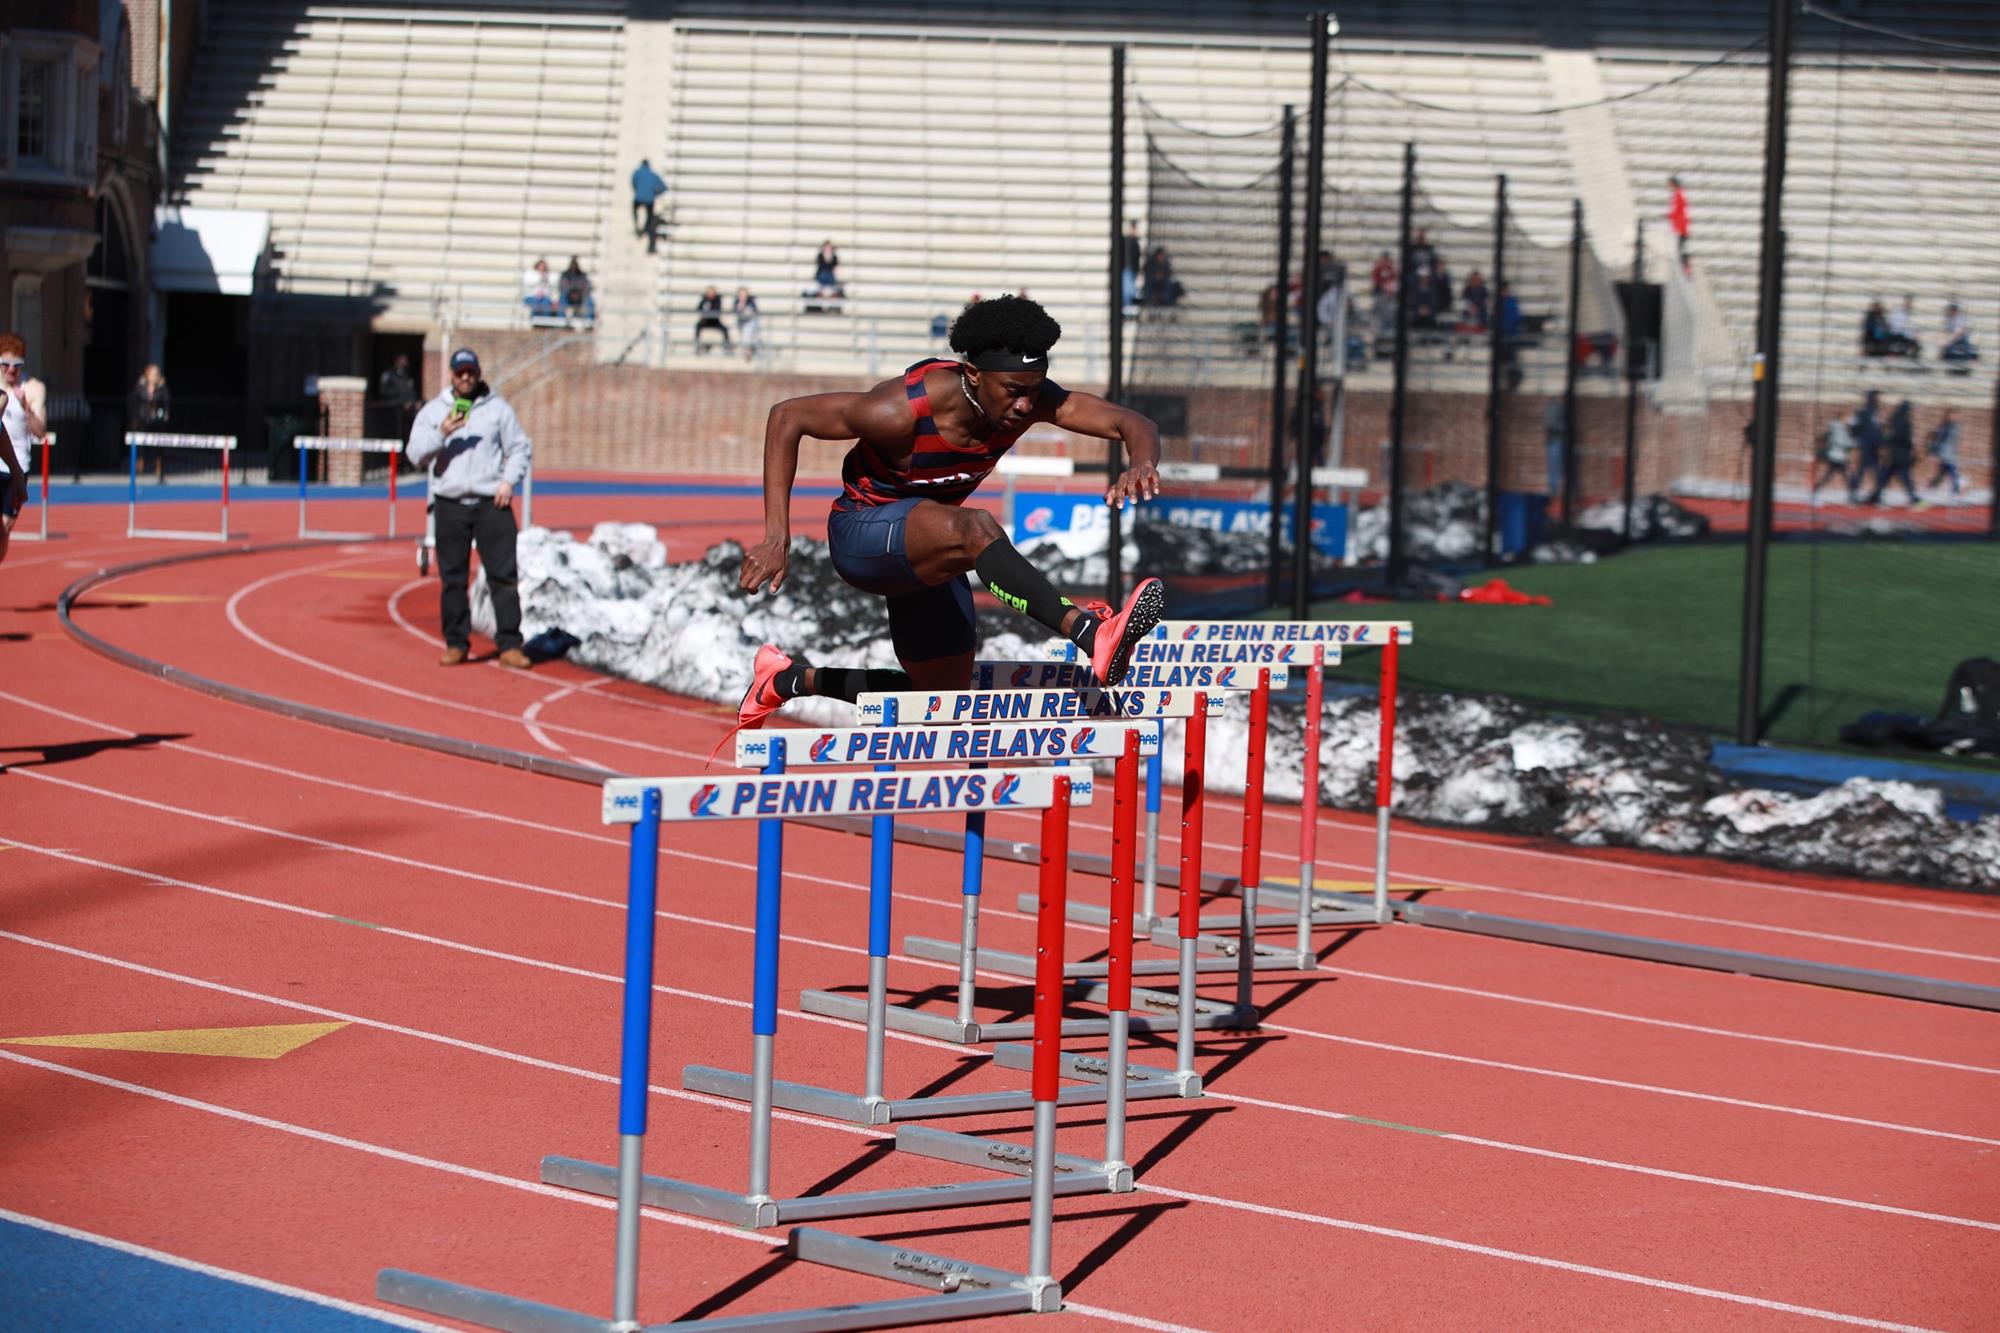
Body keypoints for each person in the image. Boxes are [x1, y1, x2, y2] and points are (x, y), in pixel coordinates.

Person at [731, 294, 1168, 736]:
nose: (1024, 407)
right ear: (974, 375)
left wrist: (1143, 462)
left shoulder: (1029, 399)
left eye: (1033, 392)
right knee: (977, 528)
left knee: (938, 699)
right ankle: (1091, 633)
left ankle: (785, 679)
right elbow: (787, 416)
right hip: (862, 534)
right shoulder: (898, 410)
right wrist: (776, 538)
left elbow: (1131, 423)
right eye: (1014, 392)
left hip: (927, 543)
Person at [405, 347, 533, 669]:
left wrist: (507, 482)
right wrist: (443, 432)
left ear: (478, 373)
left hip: (491, 502)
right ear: (451, 375)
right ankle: (456, 643)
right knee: (453, 579)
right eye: (460, 372)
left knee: (503, 576)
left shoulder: (498, 410)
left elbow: (519, 447)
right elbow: (415, 454)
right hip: (450, 503)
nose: (465, 378)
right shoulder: (435, 411)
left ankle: (509, 644)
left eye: (470, 372)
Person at [0, 333, 44, 564]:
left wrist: (25, 407)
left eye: (16, 365)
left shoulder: (32, 388)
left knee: (5, 525)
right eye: (5, 364)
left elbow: (40, 431)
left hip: (17, 464)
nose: (10, 370)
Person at [1863, 399, 1921, 506]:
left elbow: (1888, 436)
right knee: (1905, 478)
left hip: (1892, 456)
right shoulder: (1906, 423)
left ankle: (1875, 497)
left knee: (1885, 477)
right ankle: (1914, 499)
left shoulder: (1893, 421)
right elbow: (1907, 440)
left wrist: (1886, 442)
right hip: (1902, 456)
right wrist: (1912, 449)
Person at [1849, 390, 1884, 498]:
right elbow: (1854, 428)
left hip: (1870, 446)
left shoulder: (1870, 413)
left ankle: (1875, 494)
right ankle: (1855, 494)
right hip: (1867, 446)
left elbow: (1854, 428)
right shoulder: (1867, 413)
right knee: (1865, 471)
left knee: (1871, 471)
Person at [1810, 415, 1855, 496]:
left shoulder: (1833, 430)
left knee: (1830, 476)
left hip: (1834, 457)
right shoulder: (1842, 431)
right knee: (1846, 476)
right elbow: (1848, 443)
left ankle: (1817, 488)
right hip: (1840, 458)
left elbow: (1825, 438)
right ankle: (1851, 494)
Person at [630, 158, 667, 251]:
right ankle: (645, 226)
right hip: (649, 200)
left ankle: (637, 224)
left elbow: (633, 182)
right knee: (649, 216)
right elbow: (664, 187)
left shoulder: (637, 172)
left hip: (638, 198)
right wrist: (655, 192)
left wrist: (637, 190)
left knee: (635, 209)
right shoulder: (654, 175)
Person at [1924, 408, 1963, 496]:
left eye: (1957, 415)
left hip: (1950, 454)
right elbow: (1939, 440)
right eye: (1954, 414)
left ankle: (1930, 487)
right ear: (1949, 415)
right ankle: (1955, 492)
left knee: (1942, 474)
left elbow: (1955, 442)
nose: (1956, 416)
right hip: (1945, 455)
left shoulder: (1955, 426)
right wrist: (1934, 453)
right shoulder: (1946, 427)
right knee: (1953, 473)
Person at [377, 354, 418, 434]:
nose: (404, 365)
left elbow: (411, 391)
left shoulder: (406, 376)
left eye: (405, 362)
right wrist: (401, 399)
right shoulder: (389, 374)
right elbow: (383, 391)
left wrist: (413, 401)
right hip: (393, 407)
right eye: (402, 362)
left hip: (406, 407)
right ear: (396, 362)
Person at [694, 286, 732, 353]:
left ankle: (727, 347)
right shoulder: (704, 299)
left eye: (712, 292)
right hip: (705, 321)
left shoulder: (717, 300)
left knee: (725, 329)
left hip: (715, 321)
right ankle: (697, 345)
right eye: (709, 292)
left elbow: (717, 310)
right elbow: (699, 308)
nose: (710, 294)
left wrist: (708, 313)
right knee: (697, 326)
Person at [559, 257, 595, 326]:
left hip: (581, 297)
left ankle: (588, 323)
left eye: (575, 265)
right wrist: (571, 294)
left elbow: (586, 288)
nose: (573, 267)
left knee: (589, 301)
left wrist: (579, 294)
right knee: (562, 299)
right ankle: (561, 321)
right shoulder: (565, 275)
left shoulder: (582, 275)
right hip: (568, 296)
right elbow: (562, 287)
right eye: (572, 265)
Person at [1543, 396, 1567, 499]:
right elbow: (1551, 424)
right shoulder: (1554, 406)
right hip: (1556, 441)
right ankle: (1553, 491)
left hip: (1561, 441)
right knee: (1554, 466)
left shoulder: (1561, 405)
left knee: (1558, 466)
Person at [1370, 249, 1396, 336]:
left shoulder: (1391, 268)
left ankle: (1389, 325)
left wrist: (1389, 289)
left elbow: (1393, 279)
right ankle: (1381, 327)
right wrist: (1384, 287)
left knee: (1390, 309)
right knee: (1380, 308)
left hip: (1389, 292)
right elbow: (1376, 280)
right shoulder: (1378, 268)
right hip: (1380, 292)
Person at [1667, 175, 1690, 271]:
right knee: (1681, 248)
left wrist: (1668, 215)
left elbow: (1676, 211)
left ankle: (1685, 270)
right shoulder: (1680, 194)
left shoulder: (1678, 194)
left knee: (1680, 249)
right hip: (1682, 225)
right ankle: (1685, 269)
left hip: (1680, 226)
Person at [733, 286, 762, 361]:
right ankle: (748, 351)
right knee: (746, 336)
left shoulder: (751, 301)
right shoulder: (737, 301)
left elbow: (754, 312)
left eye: (744, 294)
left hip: (750, 322)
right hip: (741, 322)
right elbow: (735, 311)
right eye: (741, 294)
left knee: (747, 335)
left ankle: (748, 352)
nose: (742, 295)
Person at [1120, 221, 1141, 308]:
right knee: (1128, 290)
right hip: (1127, 268)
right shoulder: (1128, 240)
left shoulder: (1134, 241)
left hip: (1132, 269)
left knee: (1130, 289)